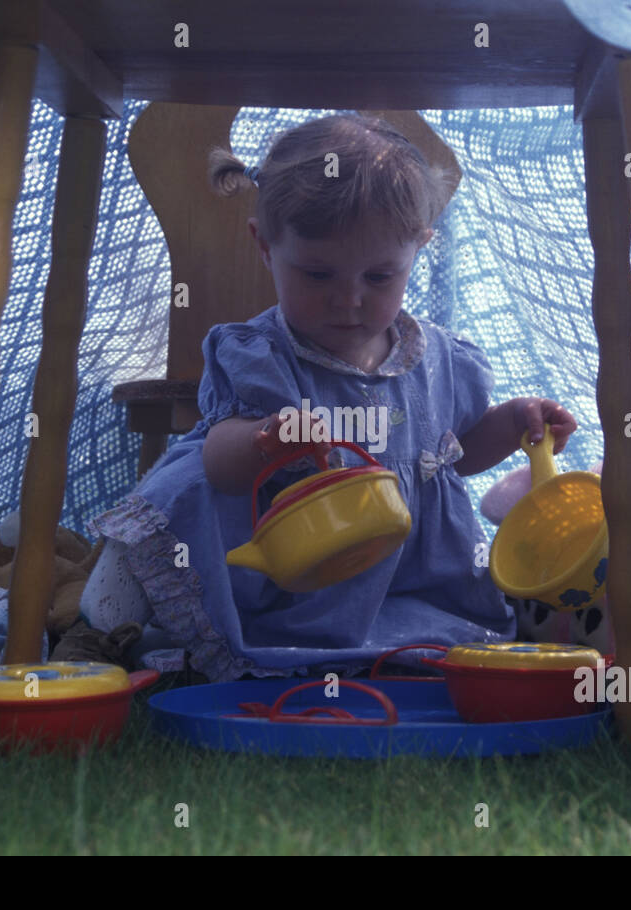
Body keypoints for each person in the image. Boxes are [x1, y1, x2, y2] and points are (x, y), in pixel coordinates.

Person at [68, 113, 577, 681]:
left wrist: (512, 425)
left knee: (428, 647)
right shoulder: (261, 356)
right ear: (264, 245)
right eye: (317, 275)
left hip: (403, 573)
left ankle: (389, 645)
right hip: (285, 568)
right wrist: (265, 440)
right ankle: (101, 625)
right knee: (176, 488)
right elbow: (219, 461)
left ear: (418, 249)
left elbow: (455, 452)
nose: (349, 301)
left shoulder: (443, 360)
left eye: (380, 278)